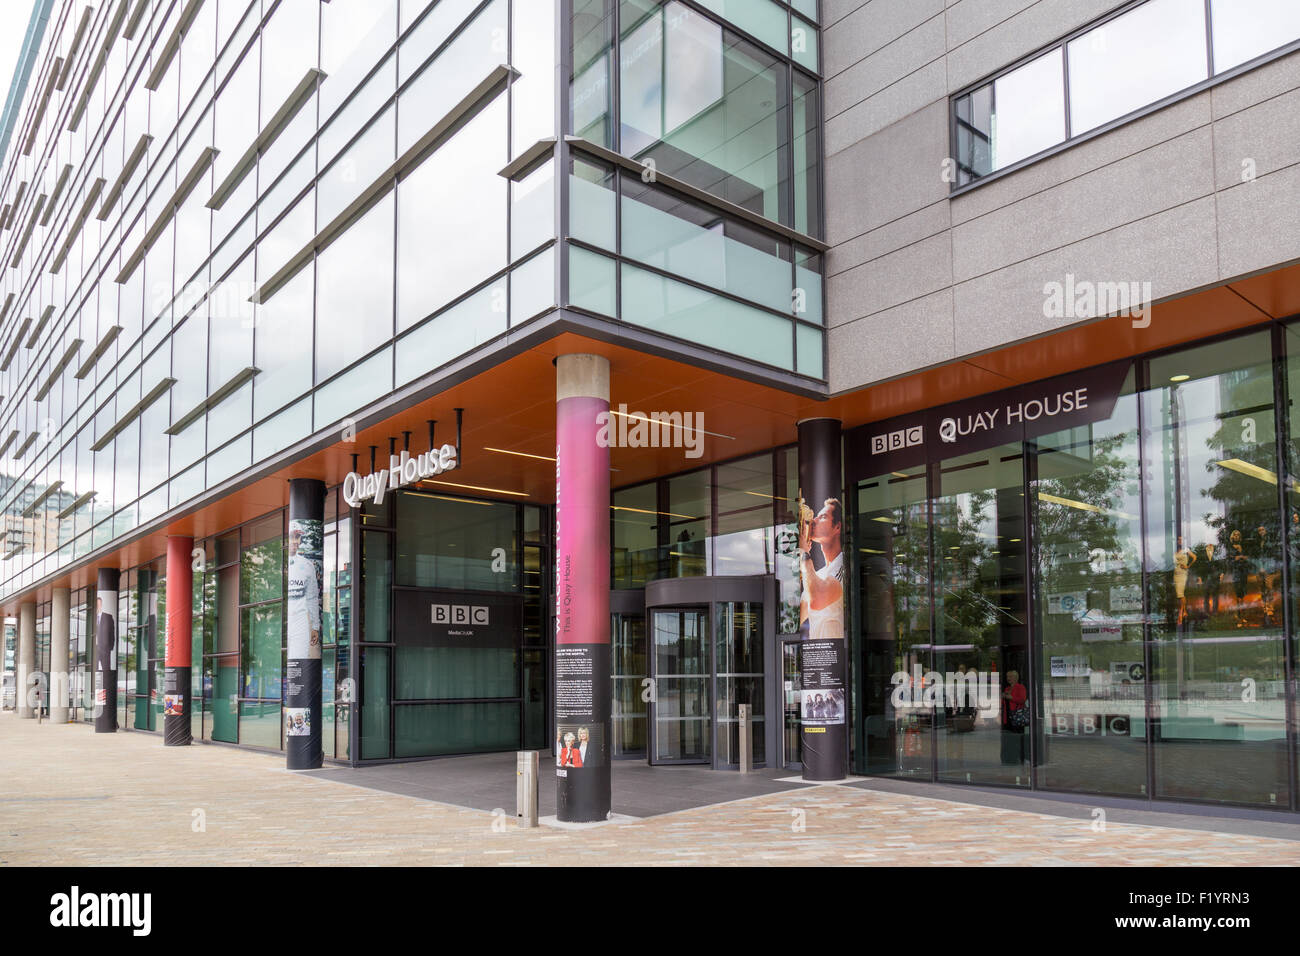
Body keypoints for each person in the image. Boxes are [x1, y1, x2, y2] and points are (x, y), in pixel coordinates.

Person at [798, 498, 845, 642]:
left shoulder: (843, 566)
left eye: (823, 517)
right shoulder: (817, 575)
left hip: (835, 660)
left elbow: (817, 599)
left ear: (837, 527)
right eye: (816, 516)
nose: (815, 520)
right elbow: (799, 617)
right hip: (816, 659)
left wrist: (804, 553)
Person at [287, 526, 321, 655]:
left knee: (299, 659)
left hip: (300, 620)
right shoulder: (277, 565)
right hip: (280, 620)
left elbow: (312, 598)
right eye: (292, 537)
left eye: (297, 537)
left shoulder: (307, 565)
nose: (295, 541)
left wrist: (315, 627)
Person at [1000, 670, 1027, 766]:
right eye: (1007, 676)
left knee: (1018, 739)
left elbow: (1022, 699)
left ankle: (1019, 758)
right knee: (1009, 739)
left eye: (1010, 676)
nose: (1008, 678)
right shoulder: (1007, 688)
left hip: (1017, 717)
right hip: (1007, 718)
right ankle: (1010, 758)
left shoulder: (1020, 687)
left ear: (1016, 677)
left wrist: (1010, 697)